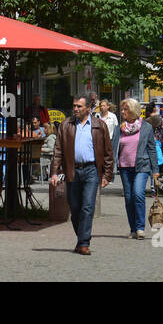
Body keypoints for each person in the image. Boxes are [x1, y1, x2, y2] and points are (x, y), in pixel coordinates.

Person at [49, 96, 113, 255]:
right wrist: (54, 172)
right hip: (72, 170)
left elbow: (108, 153)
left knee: (88, 207)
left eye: (79, 106)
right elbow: (58, 150)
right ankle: (81, 239)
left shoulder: (100, 125)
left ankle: (84, 243)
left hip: (92, 170)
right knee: (75, 207)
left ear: (88, 109)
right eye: (74, 106)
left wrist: (107, 175)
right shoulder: (66, 125)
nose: (76, 109)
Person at [112, 98, 159, 239]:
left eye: (125, 109)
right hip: (124, 167)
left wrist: (155, 170)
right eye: (122, 109)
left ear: (133, 110)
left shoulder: (146, 127)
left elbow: (151, 149)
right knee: (129, 198)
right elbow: (113, 149)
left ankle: (140, 228)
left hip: (141, 166)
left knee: (138, 194)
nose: (123, 112)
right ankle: (133, 229)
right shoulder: (119, 128)